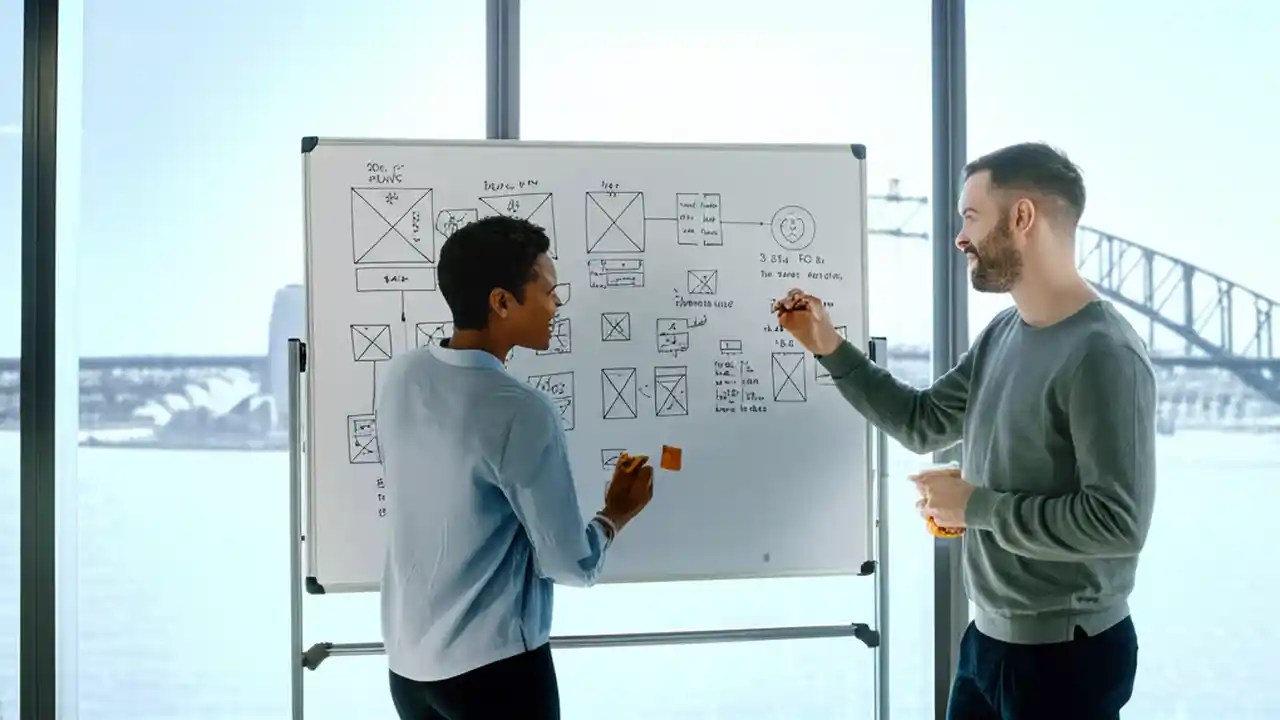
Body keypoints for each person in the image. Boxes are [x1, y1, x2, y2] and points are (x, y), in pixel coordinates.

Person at [776, 142, 1156, 719]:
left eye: (971, 217)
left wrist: (976, 506)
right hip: (986, 643)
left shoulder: (1105, 354)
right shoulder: (1004, 332)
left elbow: (1117, 524)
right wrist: (829, 347)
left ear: (1022, 218)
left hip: (1065, 658)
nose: (960, 237)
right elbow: (923, 422)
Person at [375, 215, 655, 719]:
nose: (557, 303)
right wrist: (616, 514)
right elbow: (570, 563)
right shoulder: (519, 409)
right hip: (494, 674)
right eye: (548, 290)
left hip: (408, 670)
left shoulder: (402, 375)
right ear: (502, 302)